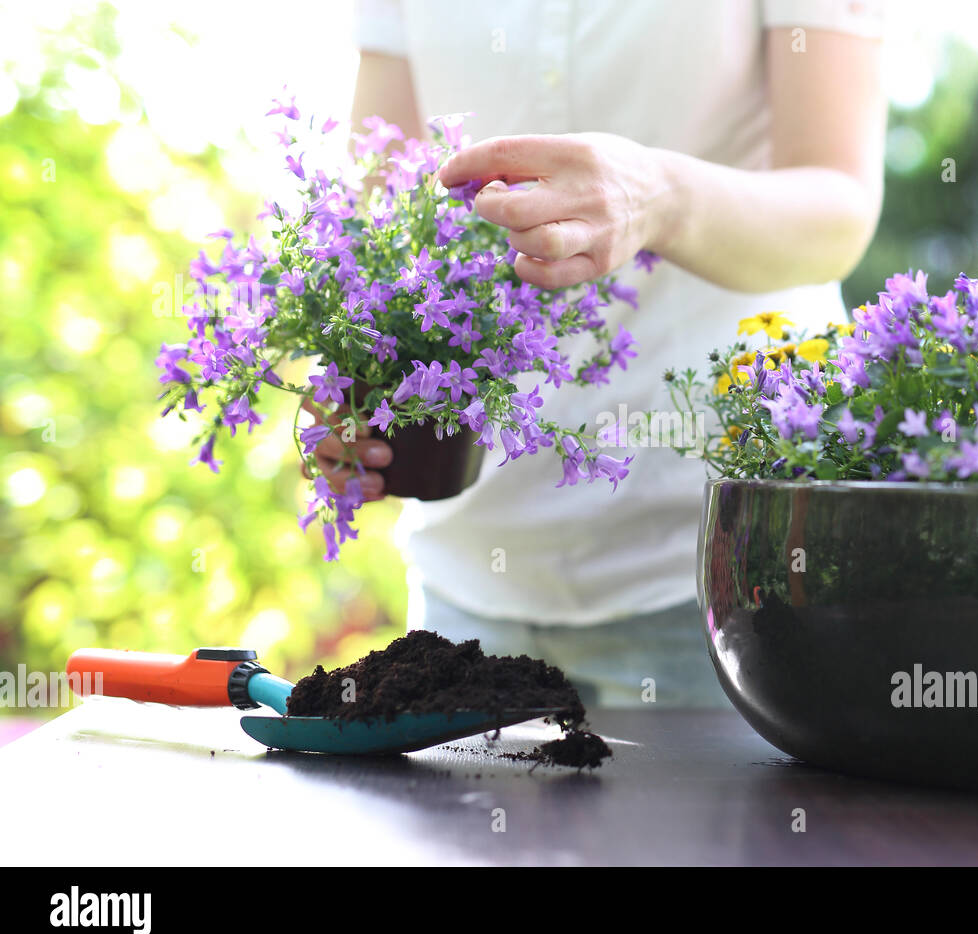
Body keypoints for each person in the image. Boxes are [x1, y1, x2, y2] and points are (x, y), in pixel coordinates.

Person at [310, 0, 888, 706]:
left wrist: (660, 197)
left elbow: (840, 208)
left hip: (717, 576)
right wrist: (353, 376)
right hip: (470, 573)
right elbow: (379, 203)